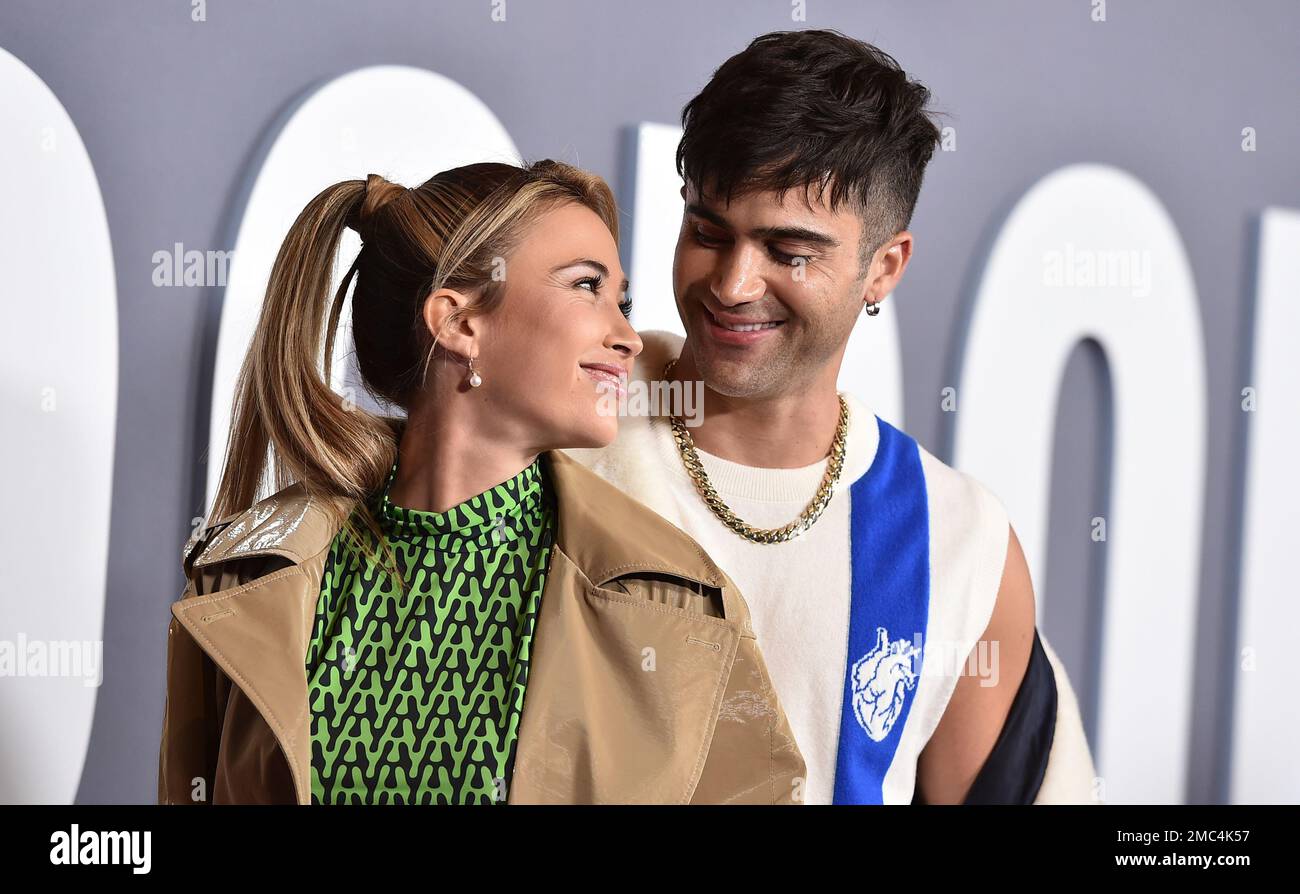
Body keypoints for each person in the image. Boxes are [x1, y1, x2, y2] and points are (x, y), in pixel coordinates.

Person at [157, 159, 804, 805]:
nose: (628, 337)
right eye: (586, 287)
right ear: (460, 322)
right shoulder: (250, 577)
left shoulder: (679, 600)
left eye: (623, 302)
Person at [562, 31, 1100, 804]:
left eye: (789, 251)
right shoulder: (560, 421)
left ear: (883, 267)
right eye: (709, 232)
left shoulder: (957, 538)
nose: (734, 283)